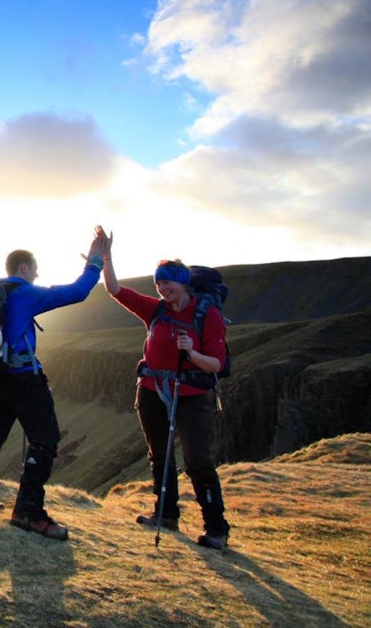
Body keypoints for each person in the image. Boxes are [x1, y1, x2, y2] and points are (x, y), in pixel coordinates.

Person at [0, 228, 110, 541]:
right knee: (44, 440)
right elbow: (77, 292)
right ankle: (28, 511)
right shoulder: (26, 293)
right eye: (35, 268)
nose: (38, 273)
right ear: (24, 269)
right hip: (24, 380)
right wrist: (96, 262)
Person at [99, 228, 231, 550]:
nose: (161, 290)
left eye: (167, 283)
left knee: (198, 461)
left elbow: (216, 363)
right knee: (160, 455)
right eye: (158, 284)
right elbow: (116, 290)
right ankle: (165, 515)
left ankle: (216, 529)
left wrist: (192, 353)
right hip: (152, 392)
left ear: (182, 282)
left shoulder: (206, 314)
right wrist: (106, 256)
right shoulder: (155, 310)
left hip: (190, 396)